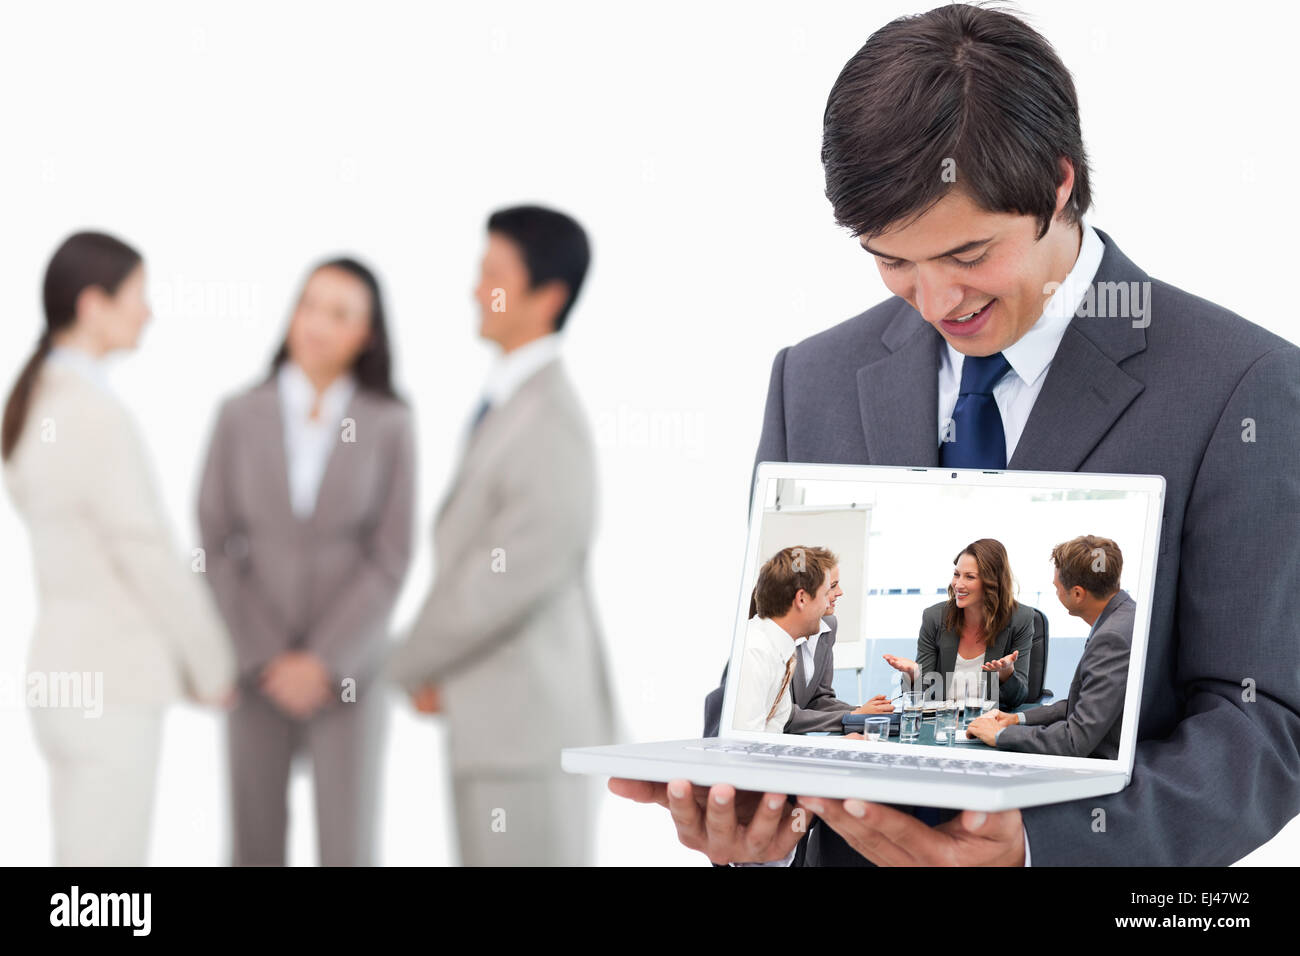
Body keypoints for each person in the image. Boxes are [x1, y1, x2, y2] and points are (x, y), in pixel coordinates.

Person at [610, 4, 1300, 866]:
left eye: (970, 254)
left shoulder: (1239, 383)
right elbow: (765, 673)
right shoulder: (812, 379)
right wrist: (747, 811)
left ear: (1056, 185)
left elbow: (1263, 723)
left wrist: (1035, 851)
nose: (939, 304)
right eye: (892, 259)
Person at [385, 205, 617, 866]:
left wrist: (401, 664)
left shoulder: (550, 421)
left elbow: (501, 581)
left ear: (547, 297)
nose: (474, 290)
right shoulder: (510, 402)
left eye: (492, 275)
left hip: (529, 732)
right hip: (493, 724)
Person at [2, 231, 236, 865]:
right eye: (137, 295)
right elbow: (148, 555)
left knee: (82, 869)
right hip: (110, 681)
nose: (149, 311)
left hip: (60, 672)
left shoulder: (39, 405)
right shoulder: (94, 416)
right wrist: (212, 666)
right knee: (106, 883)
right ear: (92, 304)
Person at [197, 257, 415, 866]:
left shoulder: (389, 422)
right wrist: (268, 655)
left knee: (348, 845)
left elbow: (391, 554)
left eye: (340, 313)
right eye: (309, 305)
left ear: (367, 336)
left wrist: (323, 660)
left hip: (347, 674)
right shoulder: (239, 414)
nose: (318, 323)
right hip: (255, 666)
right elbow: (213, 542)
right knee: (253, 845)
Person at [967, 536, 1134, 760]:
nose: (1056, 591)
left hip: (1103, 764)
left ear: (1077, 594)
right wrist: (1017, 719)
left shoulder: (1112, 638)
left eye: (1057, 587)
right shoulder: (1124, 615)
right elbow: (1084, 705)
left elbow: (1075, 740)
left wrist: (1002, 734)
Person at [704, 573, 892, 738]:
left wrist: (860, 712)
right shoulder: (760, 650)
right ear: (801, 598)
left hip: (775, 748)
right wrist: (852, 718)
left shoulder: (810, 634)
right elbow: (760, 738)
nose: (839, 593)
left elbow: (813, 701)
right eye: (831, 587)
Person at [881, 538, 1033, 710]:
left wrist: (1006, 674)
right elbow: (918, 698)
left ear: (992, 582)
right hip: (943, 724)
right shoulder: (934, 617)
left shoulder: (1021, 618)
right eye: (956, 574)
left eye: (969, 577)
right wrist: (914, 673)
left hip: (989, 725)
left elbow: (1018, 699)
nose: (958, 584)